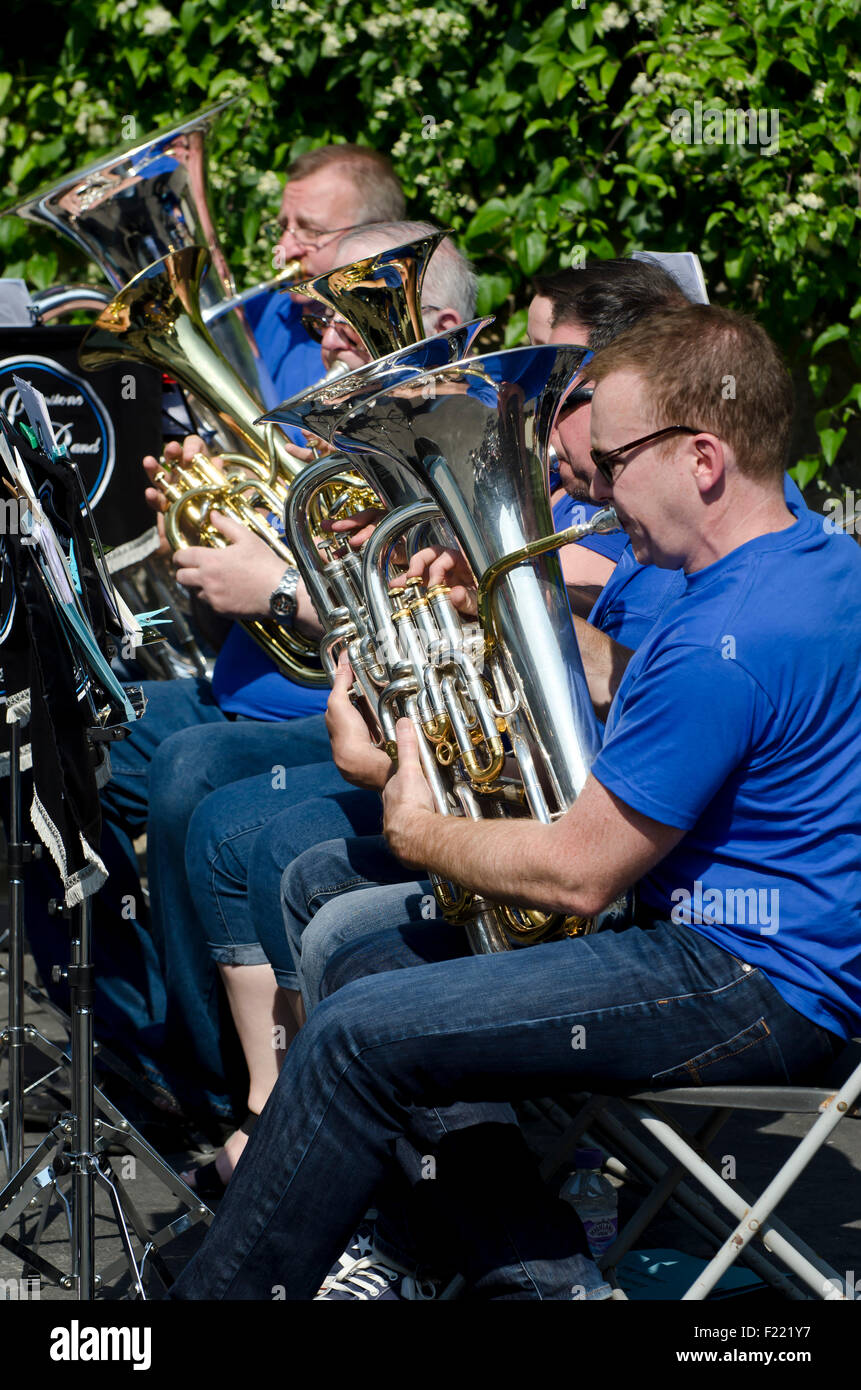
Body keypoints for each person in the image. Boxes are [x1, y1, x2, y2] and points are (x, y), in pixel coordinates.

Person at [168, 302, 861, 1300]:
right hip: (750, 945)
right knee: (364, 950)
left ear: (703, 459)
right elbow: (638, 691)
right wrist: (467, 624)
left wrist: (414, 821)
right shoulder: (806, 566)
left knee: (358, 1034)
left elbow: (578, 874)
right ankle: (545, 1279)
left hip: (748, 980)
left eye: (614, 463)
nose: (595, 492)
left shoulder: (735, 633)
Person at [173, 257, 684, 1182]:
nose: (534, 401)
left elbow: (639, 692)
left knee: (292, 879)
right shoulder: (591, 502)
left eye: (557, 380)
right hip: (556, 832)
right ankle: (355, 1174)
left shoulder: (668, 530)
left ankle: (486, 1228)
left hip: (626, 885)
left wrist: (312, 599)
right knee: (268, 851)